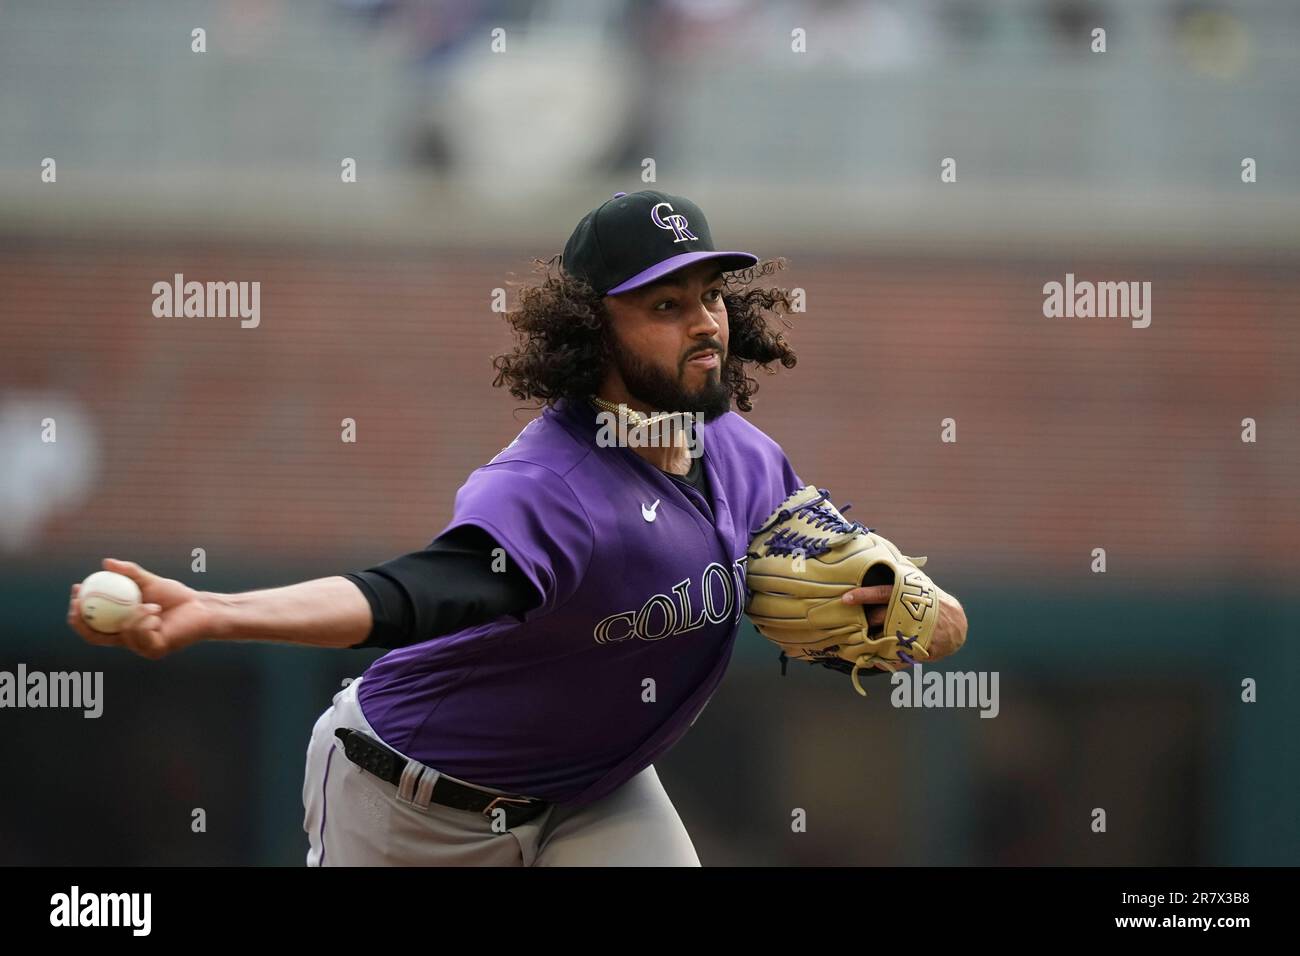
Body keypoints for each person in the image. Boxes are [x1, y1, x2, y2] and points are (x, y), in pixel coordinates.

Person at [67, 190, 968, 865]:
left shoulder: (742, 455)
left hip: (590, 792)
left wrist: (897, 605)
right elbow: (409, 594)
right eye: (665, 305)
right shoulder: (549, 488)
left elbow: (894, 598)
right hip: (413, 804)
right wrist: (218, 613)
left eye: (711, 295)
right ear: (589, 332)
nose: (704, 323)